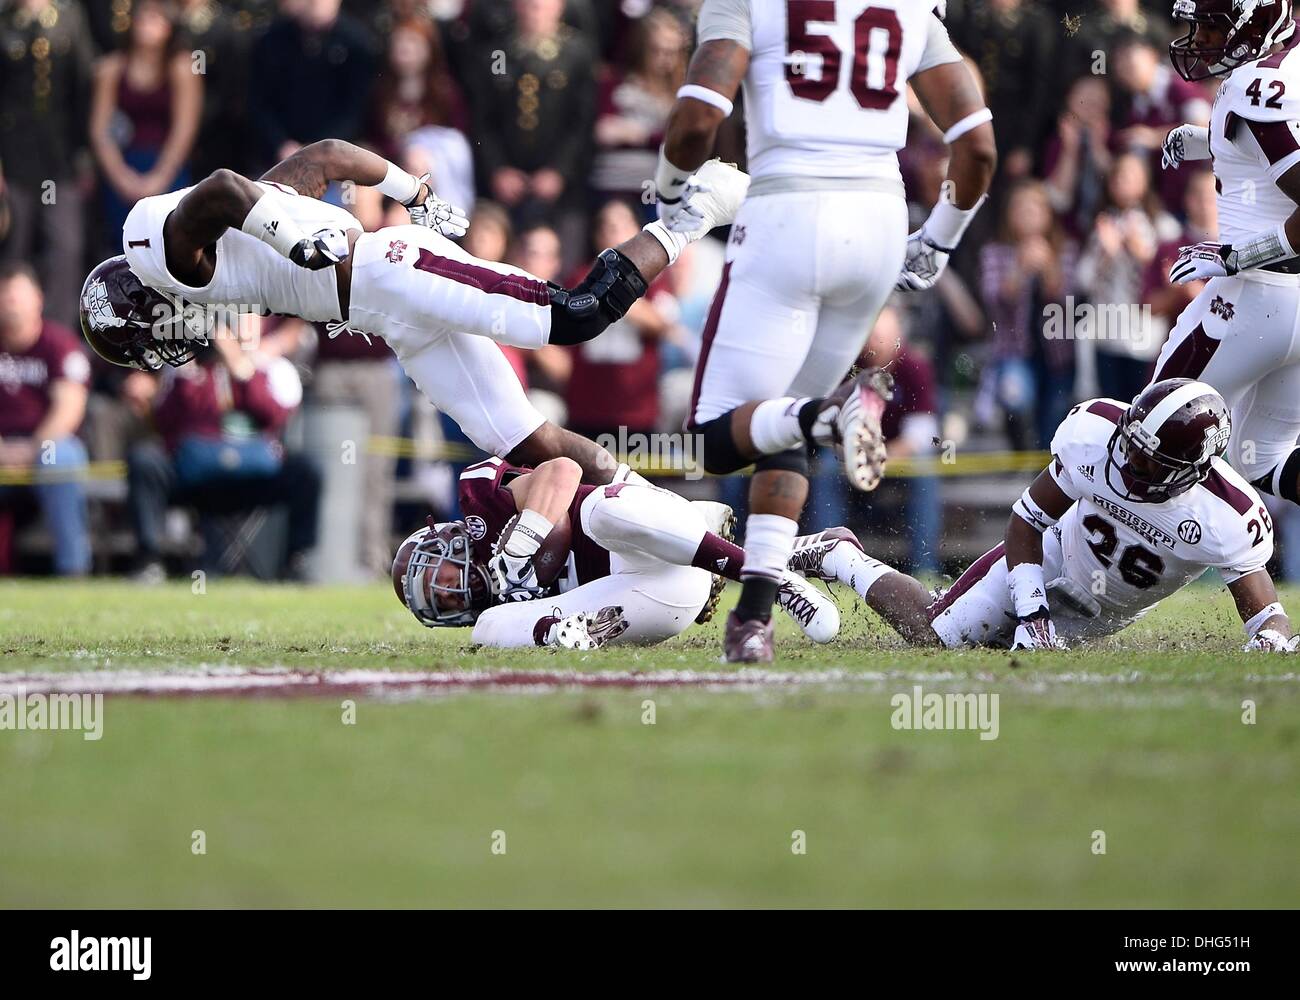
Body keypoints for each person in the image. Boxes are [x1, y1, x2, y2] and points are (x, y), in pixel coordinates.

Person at [77, 138, 748, 494]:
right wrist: (415, 191)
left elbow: (223, 186)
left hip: (393, 272)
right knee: (525, 441)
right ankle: (661, 516)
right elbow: (327, 157)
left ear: (142, 310)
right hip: (387, 316)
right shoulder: (217, 247)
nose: (164, 347)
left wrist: (289, 238)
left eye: (146, 340)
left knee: (577, 315)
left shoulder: (170, 256)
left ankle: (691, 213)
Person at [654, 0, 996, 662]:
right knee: (782, 425)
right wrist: (938, 243)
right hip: (877, 224)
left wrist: (669, 194)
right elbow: (977, 146)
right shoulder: (909, 7)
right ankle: (752, 621)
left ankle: (829, 416)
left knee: (715, 440)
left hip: (787, 212)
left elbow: (697, 120)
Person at [790, 380, 1297, 653]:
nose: (1129, 463)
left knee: (993, 653)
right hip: (1049, 556)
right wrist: (1032, 612)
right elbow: (1028, 519)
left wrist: (1272, 637)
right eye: (1131, 445)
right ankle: (841, 554)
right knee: (938, 635)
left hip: (1103, 611)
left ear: (1191, 469)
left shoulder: (1228, 516)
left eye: (1149, 461)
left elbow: (1263, 612)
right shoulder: (1095, 434)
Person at [391, 455, 840, 650]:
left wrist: (520, 547)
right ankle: (568, 635)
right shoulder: (492, 609)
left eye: (442, 581)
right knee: (488, 630)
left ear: (446, 544)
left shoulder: (479, 500)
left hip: (640, 529)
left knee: (604, 509)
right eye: (442, 603)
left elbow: (562, 471)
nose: (453, 594)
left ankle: (770, 580)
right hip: (658, 596)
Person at [1156, 0, 1300, 509]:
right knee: (1262, 459)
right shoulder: (1287, 61)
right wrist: (1208, 141)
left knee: (1152, 432)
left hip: (1258, 297)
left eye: (1213, 27)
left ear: (1254, 22)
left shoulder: (1256, 86)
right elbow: (1272, 148)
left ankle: (1071, 576)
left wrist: (1236, 256)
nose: (1201, 40)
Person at [126, 322, 320, 581]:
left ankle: (297, 561)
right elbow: (165, 422)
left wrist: (243, 371)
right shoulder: (186, 367)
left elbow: (275, 416)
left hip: (253, 475)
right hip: (195, 476)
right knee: (144, 460)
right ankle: (149, 560)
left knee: (306, 470)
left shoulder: (270, 368)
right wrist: (189, 373)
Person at [88, 0, 202, 253]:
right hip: (123, 163)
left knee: (167, 244)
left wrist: (160, 178)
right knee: (123, 245)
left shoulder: (182, 67)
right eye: (143, 17)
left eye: (156, 18)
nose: (147, 24)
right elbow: (100, 130)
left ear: (170, 27)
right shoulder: (112, 68)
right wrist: (120, 176)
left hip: (167, 165)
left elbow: (184, 129)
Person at [0, 263, 92, 576]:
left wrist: (31, 449)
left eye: (18, 296)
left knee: (62, 457)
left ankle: (72, 571)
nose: (11, 303)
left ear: (37, 299)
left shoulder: (59, 344)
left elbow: (69, 407)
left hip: (45, 447)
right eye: (6, 295)